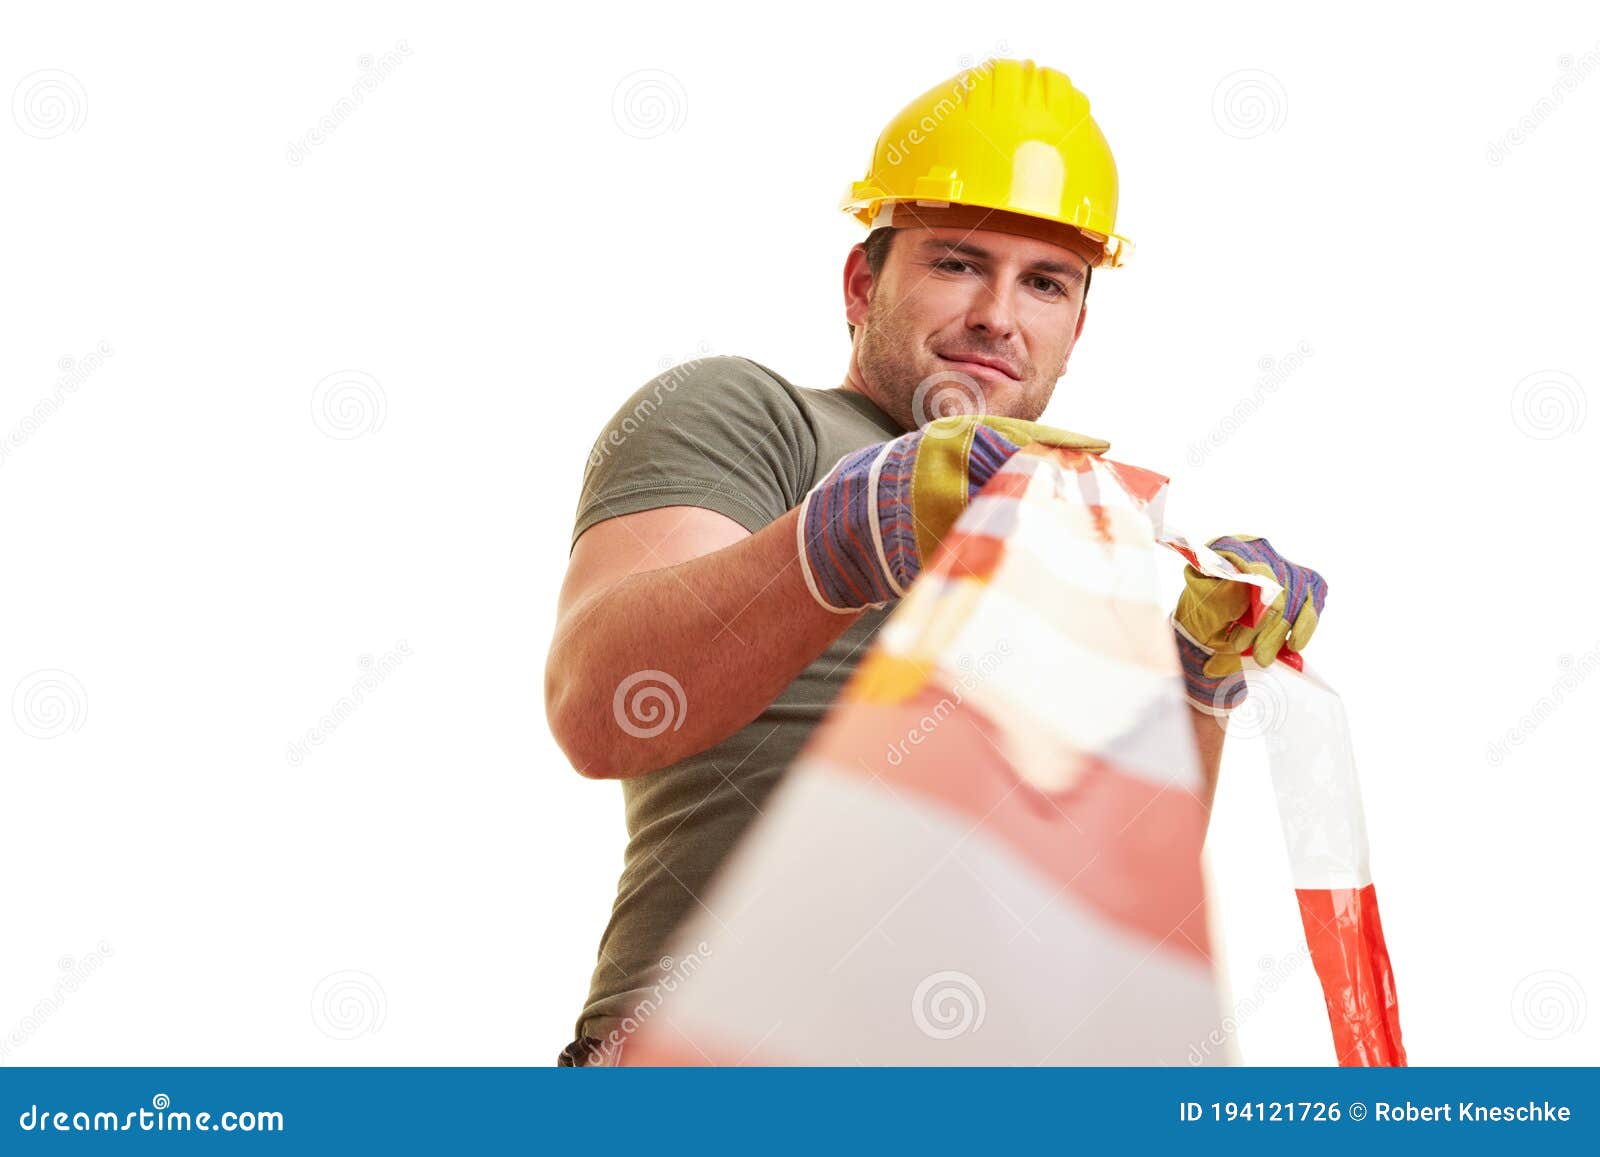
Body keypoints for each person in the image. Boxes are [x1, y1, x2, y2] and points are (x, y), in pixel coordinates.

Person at [544, 58, 1326, 1066]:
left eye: (1043, 282)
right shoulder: (747, 413)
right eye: (958, 262)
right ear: (863, 280)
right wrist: (844, 536)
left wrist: (1195, 679)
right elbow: (600, 703)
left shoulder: (1085, 521)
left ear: (1075, 327)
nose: (998, 314)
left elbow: (1111, 899)